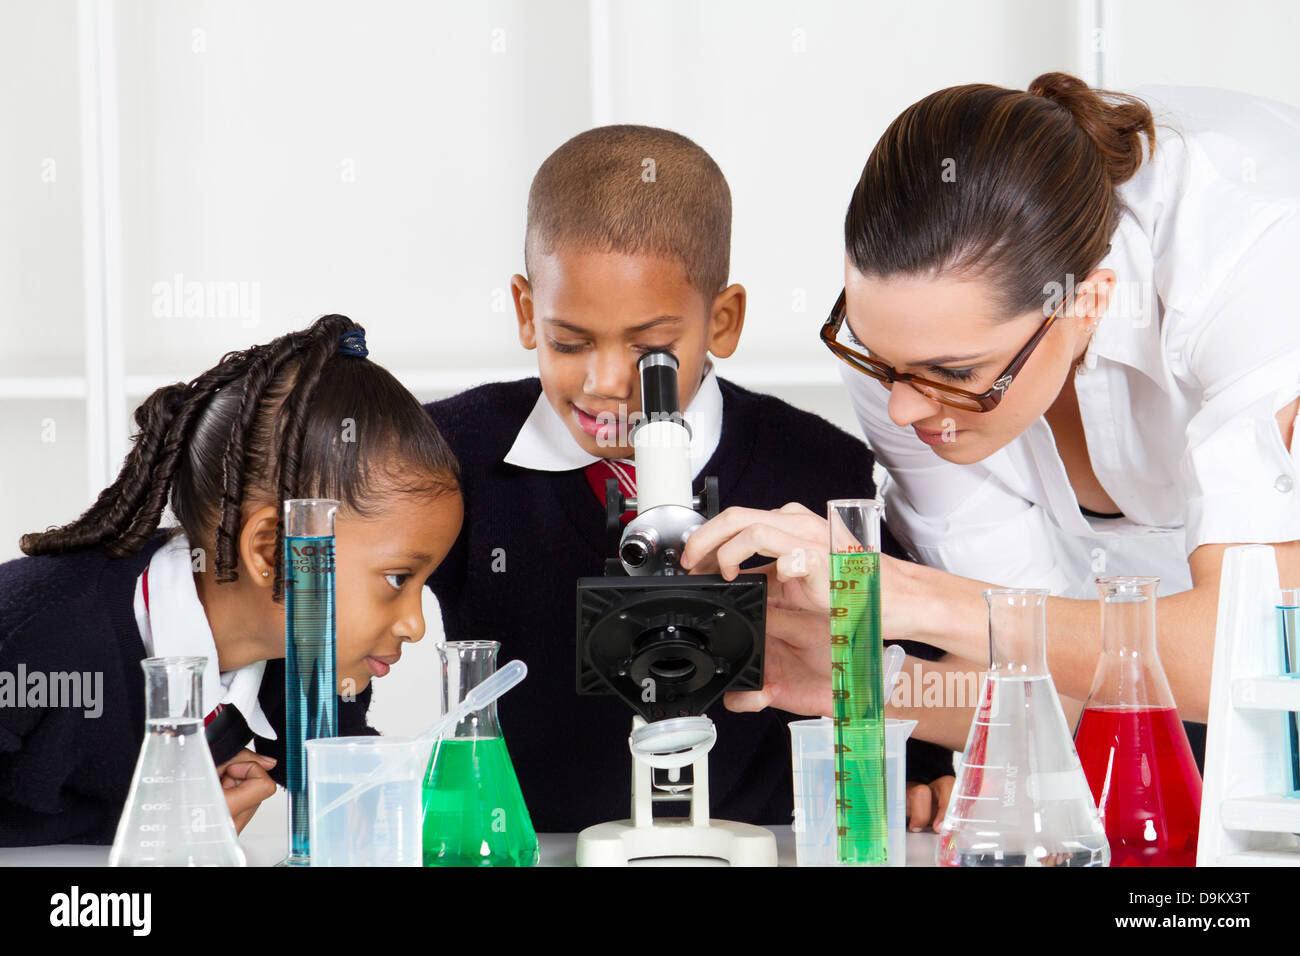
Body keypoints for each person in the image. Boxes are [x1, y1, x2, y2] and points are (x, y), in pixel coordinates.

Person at [680, 74, 1300, 767]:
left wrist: (902, 593)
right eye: (881, 362)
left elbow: (1259, 651)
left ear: (1086, 304)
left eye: (954, 373)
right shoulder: (906, 356)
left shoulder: (1250, 258)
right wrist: (860, 682)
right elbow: (1051, 693)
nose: (902, 409)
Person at [425, 124, 957, 834]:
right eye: (568, 340)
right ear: (526, 311)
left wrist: (921, 762)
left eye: (650, 350)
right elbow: (347, 598)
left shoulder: (814, 464)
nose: (606, 383)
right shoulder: (454, 453)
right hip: (529, 842)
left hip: (763, 839)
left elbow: (907, 642)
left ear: (723, 320)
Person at [0, 316, 463, 846]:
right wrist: (150, 827)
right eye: (398, 577)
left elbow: (359, 810)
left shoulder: (311, 671)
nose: (416, 625)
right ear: (275, 551)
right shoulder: (36, 641)